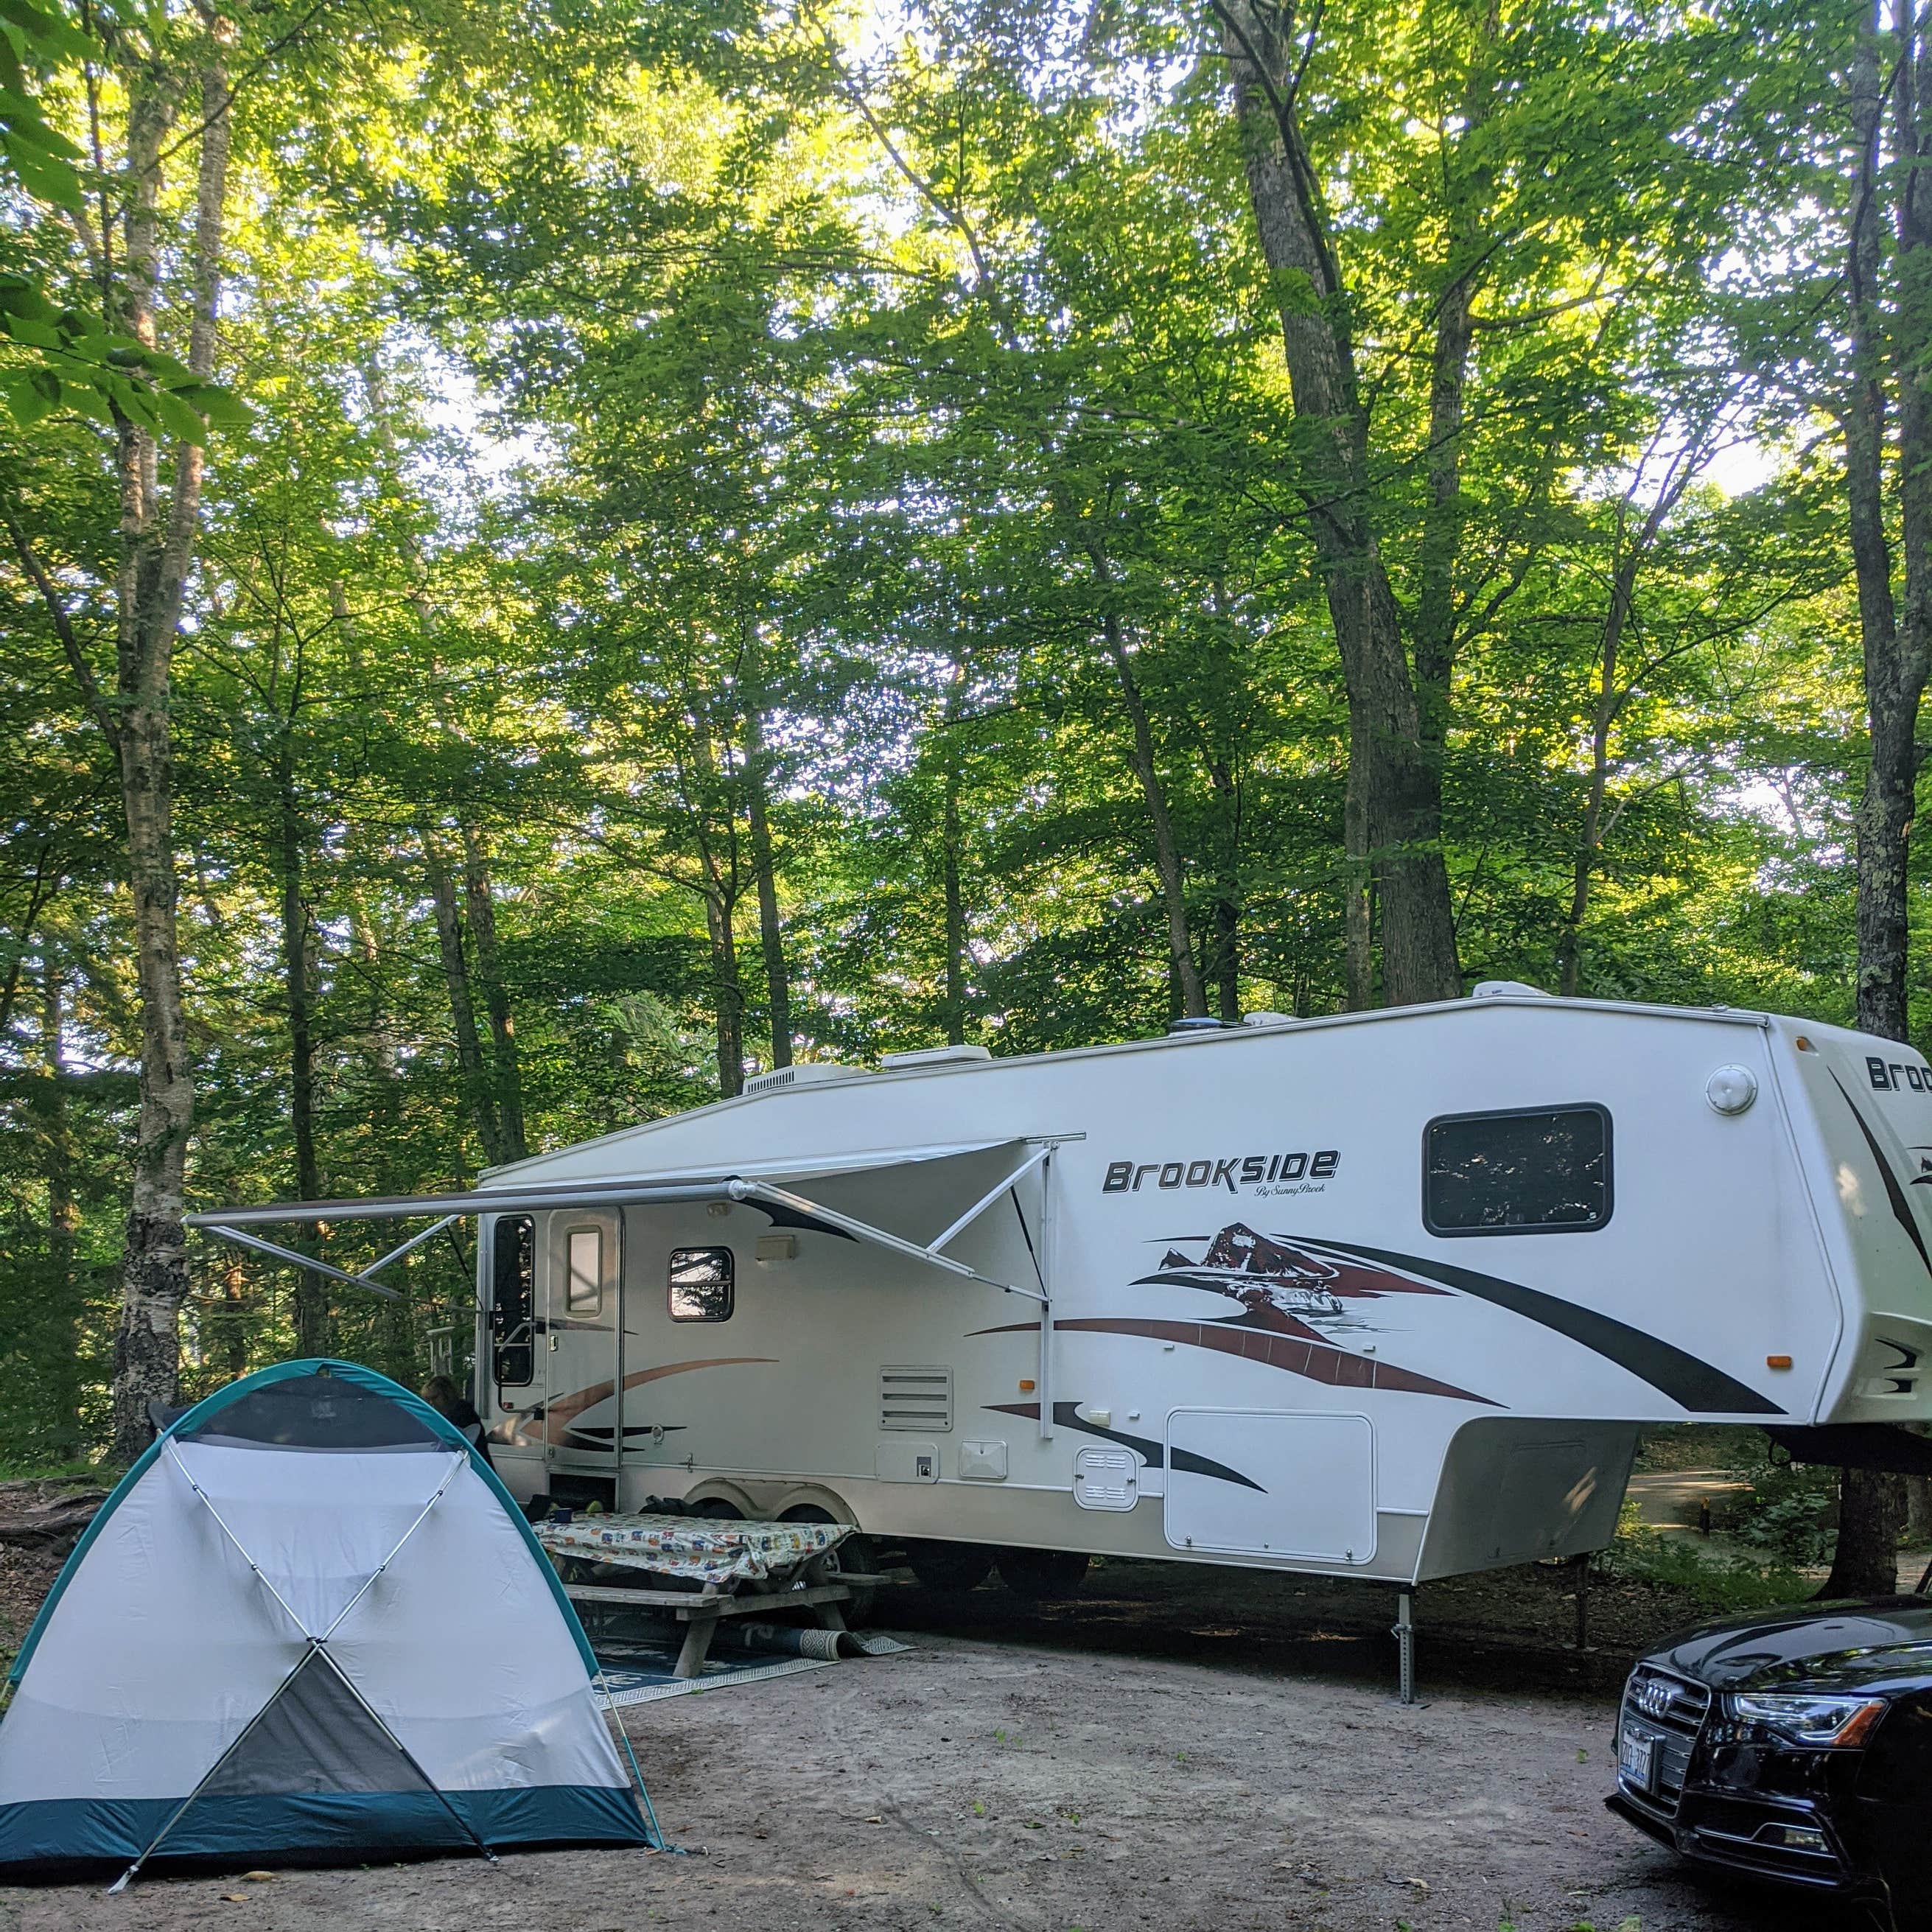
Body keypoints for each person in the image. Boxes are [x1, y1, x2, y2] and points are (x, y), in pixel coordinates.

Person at [421, 1373, 494, 1469]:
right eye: (428, 1399)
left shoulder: (464, 1412)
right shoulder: (440, 1416)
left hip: (474, 1464)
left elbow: (459, 1441)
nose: (431, 1403)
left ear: (447, 1394)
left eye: (435, 1398)